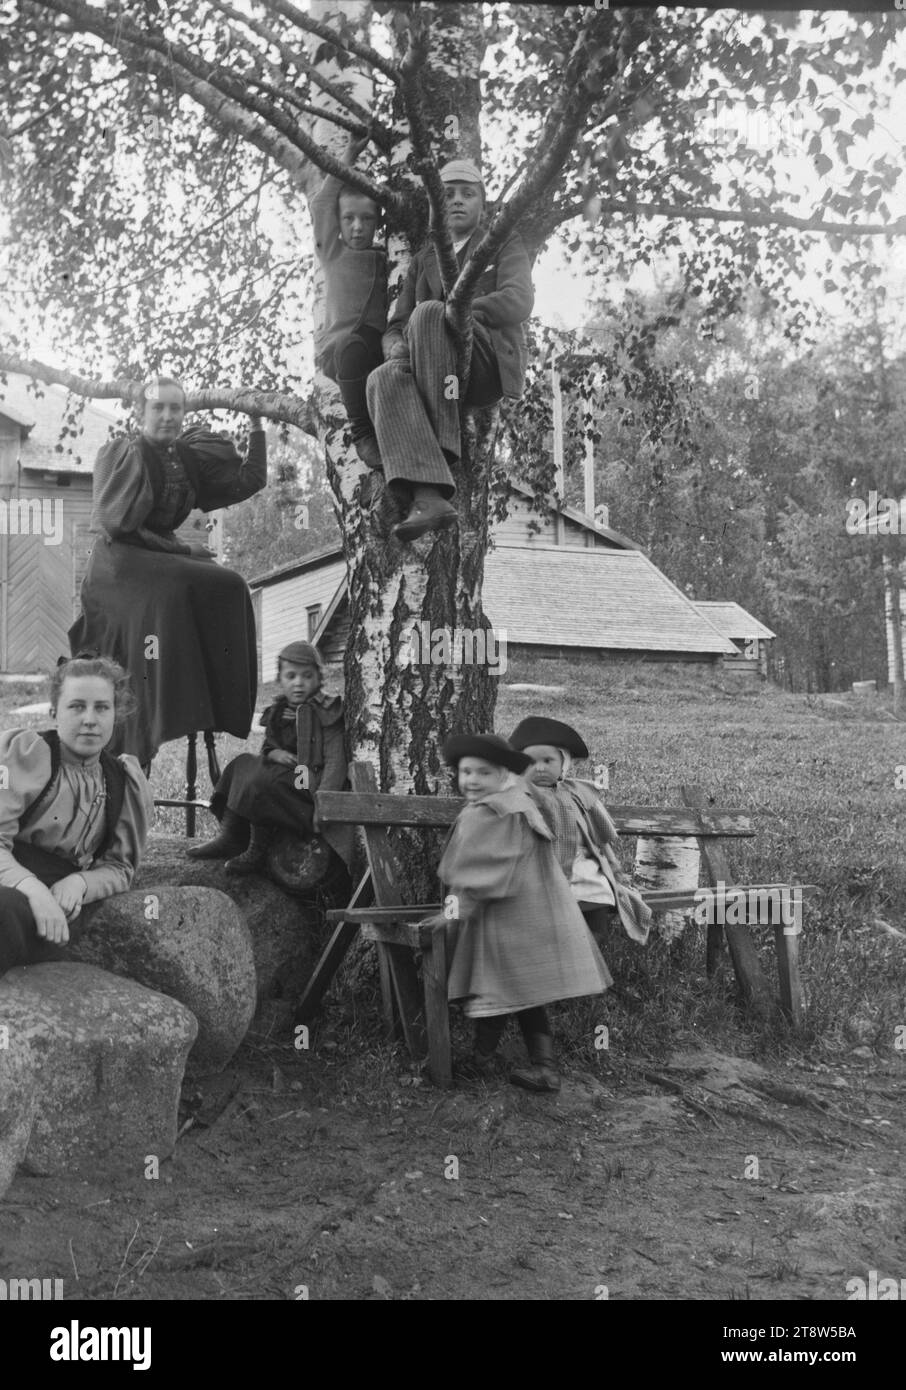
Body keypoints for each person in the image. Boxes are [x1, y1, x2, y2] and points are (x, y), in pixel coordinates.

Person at [68, 376, 267, 768]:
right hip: (118, 565)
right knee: (174, 591)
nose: (168, 416)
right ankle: (152, 714)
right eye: (158, 408)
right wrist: (183, 549)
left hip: (159, 560)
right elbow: (116, 526)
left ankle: (214, 702)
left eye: (176, 408)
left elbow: (250, 480)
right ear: (141, 413)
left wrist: (257, 425)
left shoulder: (189, 457)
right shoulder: (124, 455)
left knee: (231, 585)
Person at [423, 733, 612, 1093]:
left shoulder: (497, 812)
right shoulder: (517, 801)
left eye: (483, 772)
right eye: (466, 772)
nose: (473, 780)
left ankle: (482, 1062)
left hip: (510, 918)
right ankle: (543, 1066)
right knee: (525, 994)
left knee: (495, 990)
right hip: (533, 915)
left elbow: (486, 873)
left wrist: (452, 913)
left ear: (501, 776)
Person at [366, 159, 534, 542]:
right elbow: (396, 324)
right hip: (438, 379)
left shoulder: (502, 241)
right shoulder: (425, 258)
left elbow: (519, 299)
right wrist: (394, 347)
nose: (457, 201)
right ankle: (429, 495)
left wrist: (458, 309)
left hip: (481, 363)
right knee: (382, 376)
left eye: (467, 194)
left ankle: (441, 451)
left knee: (429, 313)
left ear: (482, 203)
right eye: (447, 195)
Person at [0, 655, 154, 975]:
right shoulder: (27, 754)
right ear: (55, 712)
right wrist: (32, 889)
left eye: (101, 707)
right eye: (76, 706)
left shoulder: (123, 779)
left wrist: (80, 884)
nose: (89, 719)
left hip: (59, 904)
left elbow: (120, 868)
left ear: (116, 714)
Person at [187, 641, 352, 884]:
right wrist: (274, 755)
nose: (298, 683)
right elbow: (268, 747)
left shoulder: (327, 711)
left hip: (309, 786)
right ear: (281, 679)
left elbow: (336, 762)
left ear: (319, 678)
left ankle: (257, 850)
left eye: (307, 676)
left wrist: (324, 805)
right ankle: (231, 834)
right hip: (284, 778)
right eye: (291, 676)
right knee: (242, 763)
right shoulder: (279, 711)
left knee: (263, 780)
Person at [509, 716, 652, 947]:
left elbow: (601, 836)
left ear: (563, 764)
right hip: (537, 872)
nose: (540, 768)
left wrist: (615, 868)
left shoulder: (579, 794)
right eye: (531, 762)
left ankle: (589, 957)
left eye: (548, 760)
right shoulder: (516, 798)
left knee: (596, 918)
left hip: (582, 871)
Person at [311, 135, 388, 472]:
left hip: (375, 353)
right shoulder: (332, 252)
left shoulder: (389, 260)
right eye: (349, 219)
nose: (357, 227)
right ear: (339, 222)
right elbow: (320, 204)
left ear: (379, 223)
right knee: (350, 346)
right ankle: (362, 434)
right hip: (339, 355)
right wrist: (349, 155)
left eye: (367, 219)